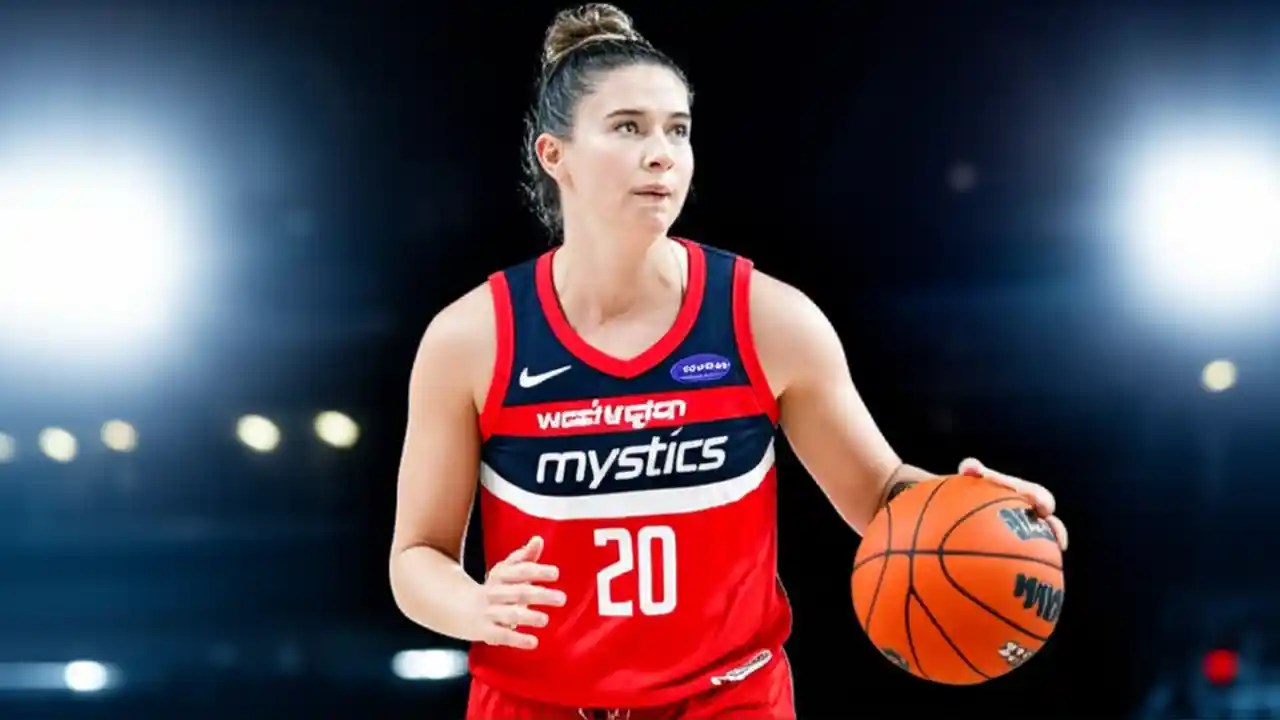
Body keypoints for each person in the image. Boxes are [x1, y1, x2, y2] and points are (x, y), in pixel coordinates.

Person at [388, 4, 1069, 719]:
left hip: (729, 699)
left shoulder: (766, 319)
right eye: (628, 128)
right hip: (536, 702)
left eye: (677, 131)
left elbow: (880, 495)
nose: (661, 153)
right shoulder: (473, 338)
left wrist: (985, 516)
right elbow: (417, 558)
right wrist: (473, 603)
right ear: (553, 154)